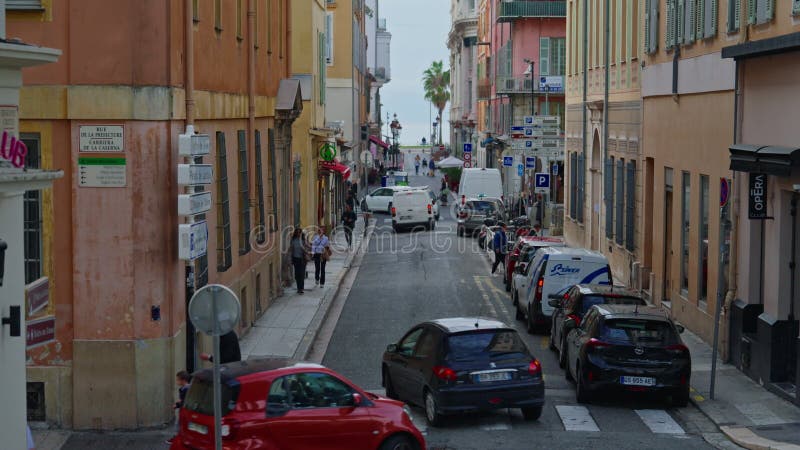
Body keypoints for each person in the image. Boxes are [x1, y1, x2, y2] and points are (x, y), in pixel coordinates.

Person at [290, 228, 307, 294]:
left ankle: (301, 288)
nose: (298, 234)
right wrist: (290, 258)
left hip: (302, 259)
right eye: (297, 232)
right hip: (295, 258)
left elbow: (306, 248)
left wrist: (304, 249)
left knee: (302, 273)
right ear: (295, 233)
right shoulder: (293, 240)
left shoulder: (303, 240)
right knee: (297, 274)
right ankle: (298, 288)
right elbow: (291, 249)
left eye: (299, 232)